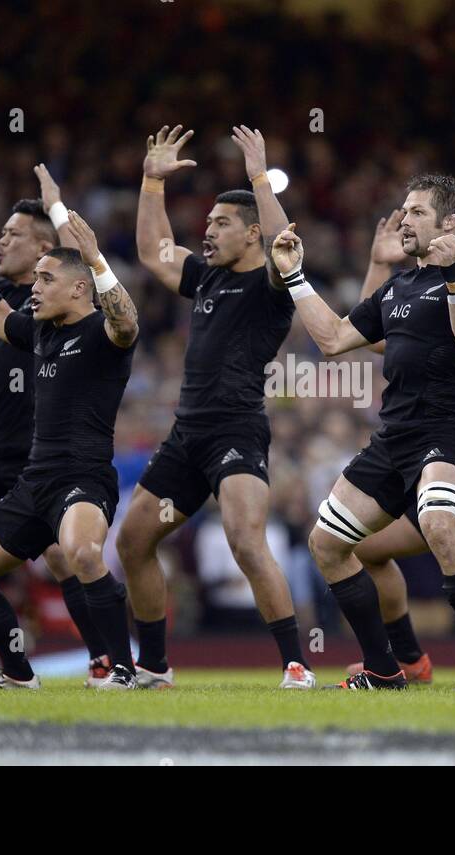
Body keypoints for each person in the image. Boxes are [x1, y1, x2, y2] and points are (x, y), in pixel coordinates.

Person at [278, 173, 455, 690]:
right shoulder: (396, 288)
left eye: (417, 212)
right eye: (403, 211)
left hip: (448, 430)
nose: (404, 220)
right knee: (326, 543)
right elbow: (334, 338)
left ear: (449, 223)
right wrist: (295, 276)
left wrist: (453, 278)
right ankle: (383, 668)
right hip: (394, 437)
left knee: (443, 526)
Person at [122, 125, 314, 690]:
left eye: (221, 224)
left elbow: (286, 248)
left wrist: (258, 176)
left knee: (245, 540)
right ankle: (154, 667)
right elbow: (153, 254)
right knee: (135, 540)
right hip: (187, 437)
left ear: (254, 234)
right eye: (206, 223)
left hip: (237, 430)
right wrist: (151, 181)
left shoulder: (274, 281)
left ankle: (295, 665)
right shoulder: (206, 277)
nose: (206, 232)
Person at [0, 208, 139, 689]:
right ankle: (20, 674)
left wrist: (98, 262)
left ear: (79, 288)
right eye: (36, 278)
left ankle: (122, 669)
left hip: (83, 478)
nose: (35, 288)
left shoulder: (104, 333)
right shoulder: (42, 332)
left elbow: (127, 322)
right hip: (33, 482)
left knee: (84, 556)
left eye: (46, 278)